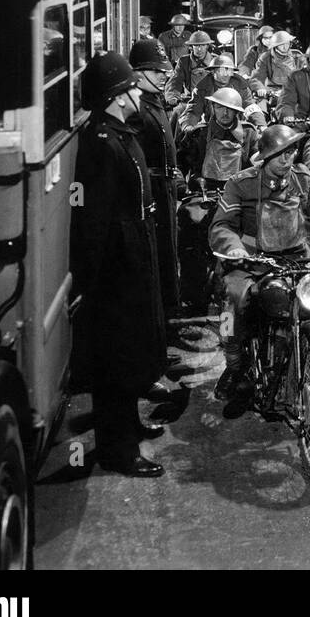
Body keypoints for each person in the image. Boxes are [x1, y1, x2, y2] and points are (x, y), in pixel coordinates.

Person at [208, 125, 310, 401]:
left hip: (296, 259)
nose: (286, 158)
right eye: (280, 153)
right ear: (266, 156)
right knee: (232, 300)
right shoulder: (241, 183)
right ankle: (233, 364)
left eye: (290, 151)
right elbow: (221, 225)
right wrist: (233, 249)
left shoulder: (303, 179)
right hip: (252, 262)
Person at [69, 52, 168, 477]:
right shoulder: (101, 144)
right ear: (114, 95)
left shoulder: (119, 132)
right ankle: (117, 450)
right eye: (128, 88)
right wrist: (94, 280)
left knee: (130, 353)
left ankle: (128, 424)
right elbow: (94, 221)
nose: (135, 93)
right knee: (115, 358)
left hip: (132, 256)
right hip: (115, 268)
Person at [128, 38, 183, 320]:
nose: (165, 76)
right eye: (157, 71)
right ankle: (164, 325)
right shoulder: (136, 108)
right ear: (138, 72)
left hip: (166, 188)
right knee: (159, 258)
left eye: (165, 71)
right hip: (154, 193)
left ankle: (169, 320)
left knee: (168, 253)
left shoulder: (152, 99)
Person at [178, 87, 260, 187]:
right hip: (203, 190)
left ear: (237, 112)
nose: (225, 113)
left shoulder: (248, 133)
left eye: (230, 109)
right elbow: (180, 164)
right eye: (220, 107)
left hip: (239, 190)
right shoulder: (198, 134)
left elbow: (258, 163)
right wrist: (181, 185)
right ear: (213, 107)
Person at [179, 53, 261, 132]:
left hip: (238, 128)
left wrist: (260, 125)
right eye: (221, 70)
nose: (226, 74)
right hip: (213, 130)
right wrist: (188, 126)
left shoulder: (241, 86)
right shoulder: (202, 88)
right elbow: (193, 111)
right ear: (213, 72)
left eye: (229, 70)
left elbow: (250, 106)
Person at [164, 30, 215, 107]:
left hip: (213, 101)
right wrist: (172, 96)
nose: (199, 49)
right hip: (190, 101)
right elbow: (175, 81)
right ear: (191, 46)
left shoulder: (215, 60)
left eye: (202, 45)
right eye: (196, 45)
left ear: (207, 46)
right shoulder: (184, 61)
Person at [253, 30, 306, 95]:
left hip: (294, 91)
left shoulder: (297, 57)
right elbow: (257, 76)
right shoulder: (266, 57)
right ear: (275, 46)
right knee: (261, 103)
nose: (285, 47)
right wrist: (260, 88)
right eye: (281, 44)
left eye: (287, 43)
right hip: (273, 92)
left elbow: (306, 76)